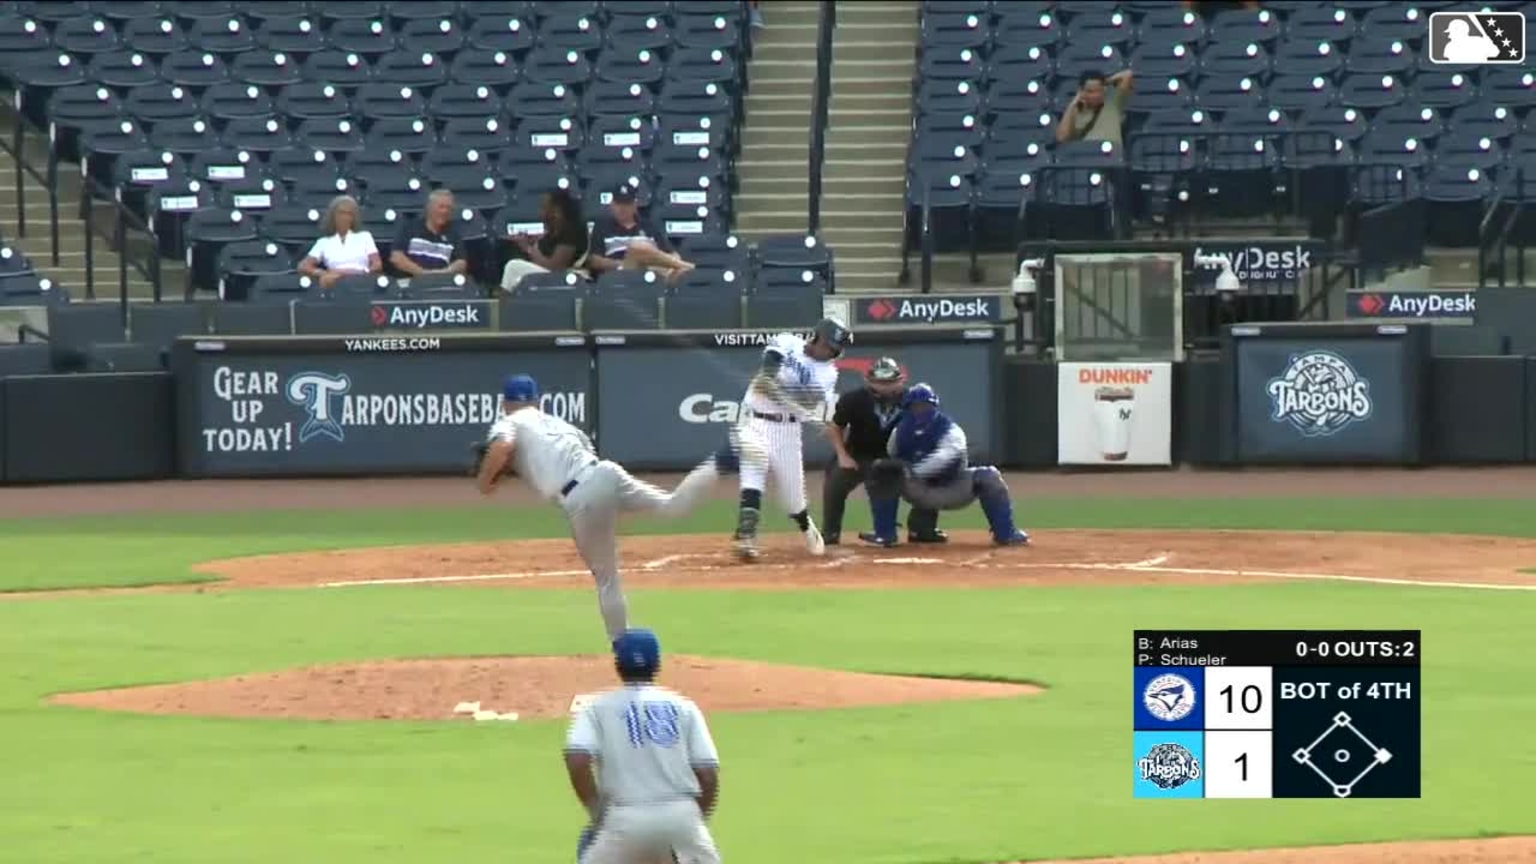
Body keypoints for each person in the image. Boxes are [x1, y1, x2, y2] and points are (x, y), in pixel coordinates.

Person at [474, 375, 725, 640]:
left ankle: (623, 649)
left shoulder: (507, 423)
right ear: (537, 401)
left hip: (580, 496)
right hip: (606, 471)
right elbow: (581, 452)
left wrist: (484, 481)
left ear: (504, 403)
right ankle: (721, 462)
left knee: (607, 579)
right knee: (672, 505)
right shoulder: (559, 424)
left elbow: (502, 446)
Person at [566, 628, 722, 864]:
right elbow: (708, 775)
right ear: (657, 664)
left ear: (618, 665)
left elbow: (577, 759)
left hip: (625, 818)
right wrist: (691, 821)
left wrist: (597, 812)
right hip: (681, 815)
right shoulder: (684, 707)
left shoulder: (596, 708)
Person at [714, 317, 849, 562]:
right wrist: (794, 404)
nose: (829, 352)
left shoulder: (828, 373)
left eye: (834, 349)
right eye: (828, 346)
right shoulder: (786, 341)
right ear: (816, 336)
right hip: (754, 421)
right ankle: (746, 536)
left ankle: (805, 523)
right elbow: (765, 381)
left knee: (794, 499)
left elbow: (802, 401)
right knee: (755, 466)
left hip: (787, 431)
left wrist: (797, 406)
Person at [860, 383, 1030, 548]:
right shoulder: (899, 432)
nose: (920, 410)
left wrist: (911, 471)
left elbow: (943, 458)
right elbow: (892, 454)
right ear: (907, 409)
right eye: (915, 407)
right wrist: (897, 469)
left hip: (953, 486)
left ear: (934, 407)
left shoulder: (950, 430)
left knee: (989, 476)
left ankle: (1006, 533)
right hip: (918, 488)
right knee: (884, 471)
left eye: (924, 406)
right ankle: (886, 533)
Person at [821, 357, 944, 546]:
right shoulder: (853, 399)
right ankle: (830, 533)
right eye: (879, 382)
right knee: (836, 479)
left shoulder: (914, 401)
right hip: (859, 455)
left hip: (897, 458)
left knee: (932, 473)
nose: (885, 387)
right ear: (868, 380)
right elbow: (834, 427)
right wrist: (842, 455)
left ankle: (921, 528)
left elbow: (930, 427)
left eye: (890, 382)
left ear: (901, 380)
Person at [585, 183, 696, 282]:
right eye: (618, 204)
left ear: (634, 206)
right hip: (619, 275)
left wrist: (647, 264)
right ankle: (686, 267)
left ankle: (672, 270)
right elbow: (594, 260)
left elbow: (671, 253)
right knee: (637, 247)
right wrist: (622, 265)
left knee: (649, 256)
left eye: (626, 204)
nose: (622, 209)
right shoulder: (602, 227)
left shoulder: (649, 226)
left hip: (653, 276)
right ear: (612, 205)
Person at [500, 187, 591, 292]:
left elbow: (555, 267)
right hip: (548, 275)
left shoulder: (572, 230)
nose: (541, 212)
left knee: (513, 267)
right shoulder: (555, 229)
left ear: (557, 210)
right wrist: (530, 240)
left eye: (544, 208)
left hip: (563, 278)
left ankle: (503, 307)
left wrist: (528, 249)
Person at [297, 194, 381, 288]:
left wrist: (361, 272)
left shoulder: (365, 236)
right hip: (335, 282)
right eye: (341, 213)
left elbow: (377, 264)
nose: (345, 217)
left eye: (349, 214)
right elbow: (303, 266)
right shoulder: (324, 242)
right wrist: (322, 273)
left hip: (361, 280)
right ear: (333, 216)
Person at [389, 188, 469, 278]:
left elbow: (461, 263)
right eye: (441, 207)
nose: (445, 211)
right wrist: (422, 273)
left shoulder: (453, 235)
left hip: (441, 284)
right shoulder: (410, 228)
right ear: (429, 208)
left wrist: (443, 273)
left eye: (448, 208)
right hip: (410, 282)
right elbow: (396, 257)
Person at [1054, 69, 1134, 148]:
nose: (1095, 95)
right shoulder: (1075, 111)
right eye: (1090, 91)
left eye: (1098, 91)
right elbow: (1061, 138)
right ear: (1081, 91)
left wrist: (1105, 82)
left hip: (1112, 156)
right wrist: (1072, 104)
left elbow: (1127, 75)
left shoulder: (1113, 102)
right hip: (1088, 156)